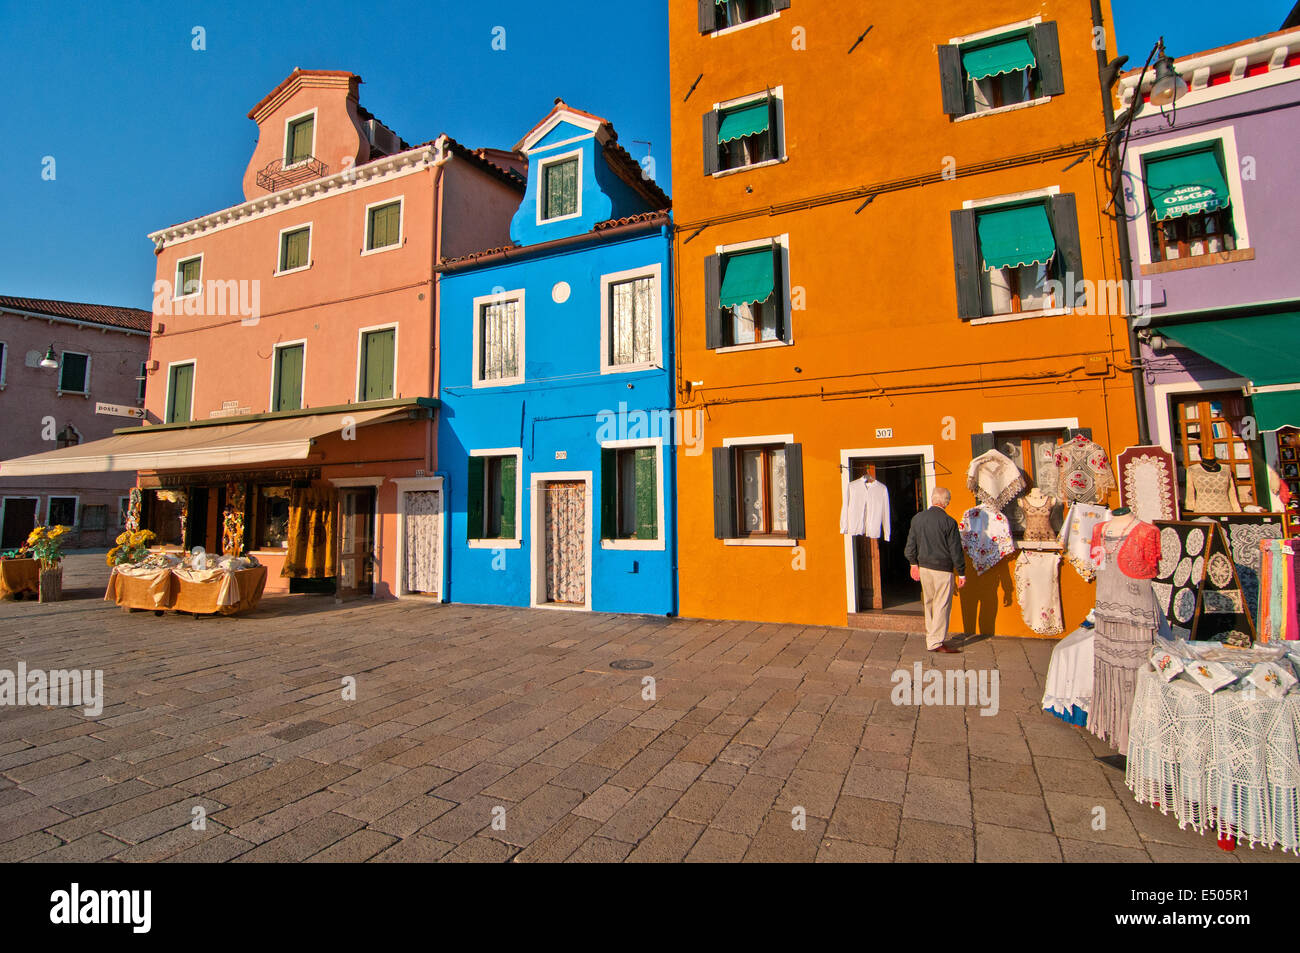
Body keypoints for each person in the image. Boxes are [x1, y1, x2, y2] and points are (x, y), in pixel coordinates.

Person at [904, 487, 967, 654]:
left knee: (929, 604)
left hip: (924, 568)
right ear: (946, 502)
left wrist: (913, 564)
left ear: (932, 499)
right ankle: (936, 642)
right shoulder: (949, 522)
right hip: (942, 569)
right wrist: (961, 572)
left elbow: (910, 545)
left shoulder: (918, 519)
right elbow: (955, 550)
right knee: (942, 605)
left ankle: (931, 639)